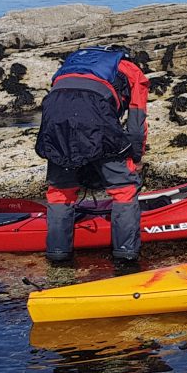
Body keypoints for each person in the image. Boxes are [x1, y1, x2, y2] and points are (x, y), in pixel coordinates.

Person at [34, 46, 149, 269]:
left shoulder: (73, 62)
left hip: (55, 118)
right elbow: (136, 123)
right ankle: (126, 257)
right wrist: (135, 156)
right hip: (95, 114)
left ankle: (58, 256)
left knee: (60, 191)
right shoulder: (131, 69)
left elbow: (64, 99)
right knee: (124, 187)